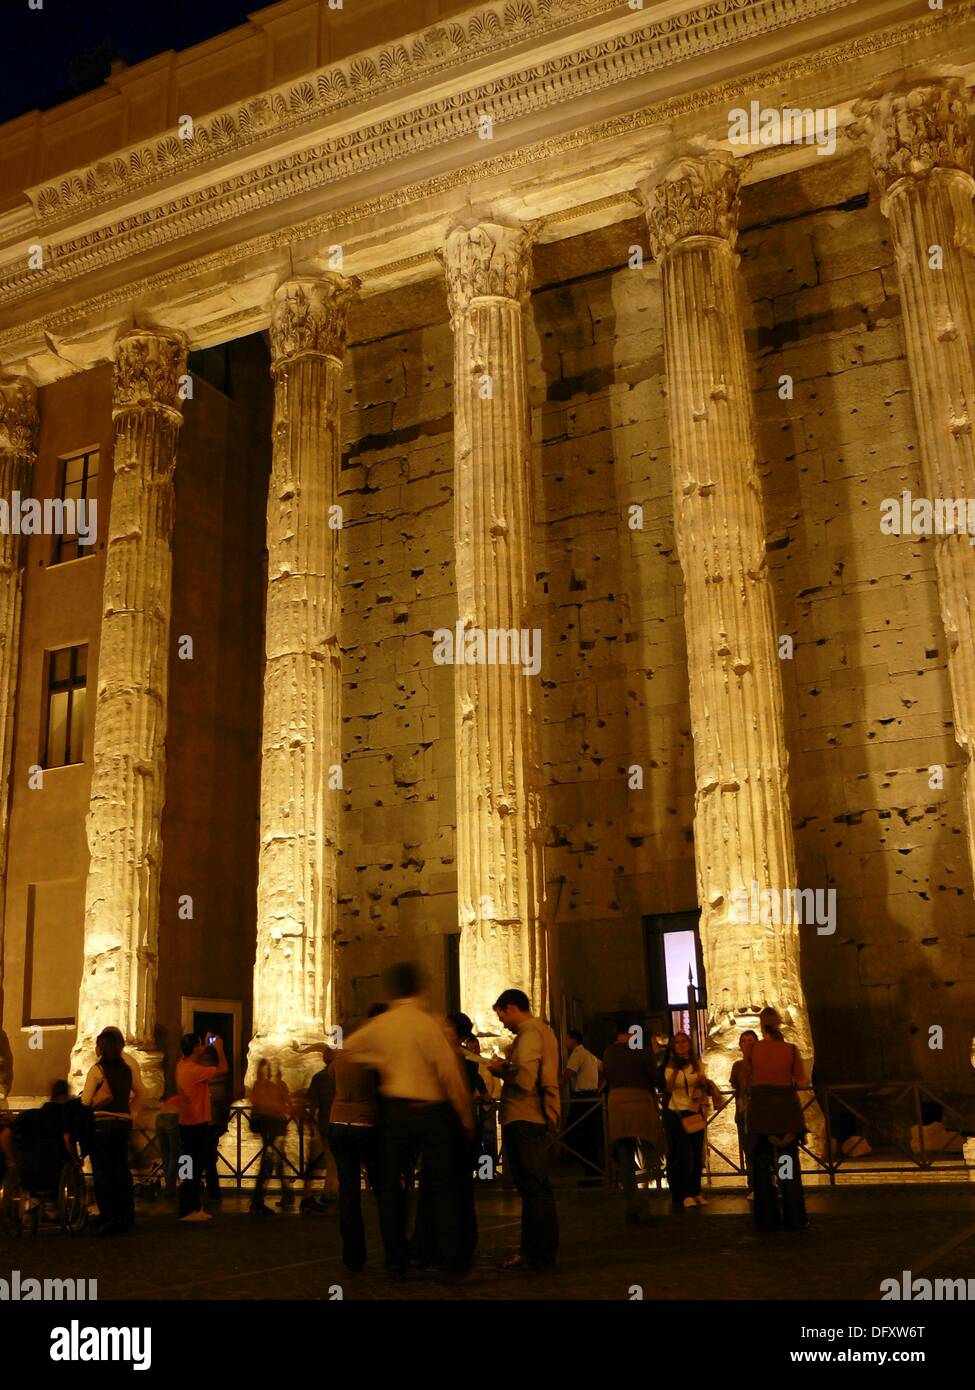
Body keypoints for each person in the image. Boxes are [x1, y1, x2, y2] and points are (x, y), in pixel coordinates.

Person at [344, 962, 477, 1284]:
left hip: (394, 1111)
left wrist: (383, 1063)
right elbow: (448, 1071)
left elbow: (349, 1048)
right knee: (442, 1187)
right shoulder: (426, 1023)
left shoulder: (383, 1024)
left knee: (392, 1190)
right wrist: (464, 1114)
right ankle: (451, 1262)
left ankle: (396, 1261)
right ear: (419, 987)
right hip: (431, 1112)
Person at [489, 988, 561, 1273]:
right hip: (535, 1115)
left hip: (523, 1114)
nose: (502, 1023)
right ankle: (539, 1253)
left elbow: (526, 1077)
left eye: (501, 1016)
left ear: (510, 1008)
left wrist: (500, 1071)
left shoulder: (530, 1034)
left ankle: (536, 1255)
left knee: (533, 1188)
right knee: (537, 1187)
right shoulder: (545, 1031)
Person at [327, 1003, 396, 1271]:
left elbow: (331, 1071)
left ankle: (352, 1255)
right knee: (384, 1190)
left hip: (337, 1121)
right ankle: (394, 1253)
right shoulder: (374, 1053)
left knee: (349, 1193)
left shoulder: (344, 1052)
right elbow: (386, 1085)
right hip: (366, 1123)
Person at [747, 1007, 809, 1233]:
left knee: (762, 1166)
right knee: (787, 1164)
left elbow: (748, 1076)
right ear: (780, 1024)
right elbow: (802, 1082)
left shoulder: (753, 1049)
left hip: (762, 1112)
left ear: (762, 1025)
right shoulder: (791, 1050)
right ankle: (794, 1217)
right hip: (785, 1111)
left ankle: (766, 1219)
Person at [602, 1014, 663, 1224]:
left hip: (617, 1104)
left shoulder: (609, 1052)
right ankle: (646, 1202)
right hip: (640, 1102)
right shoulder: (640, 1051)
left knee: (625, 1158)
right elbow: (655, 1077)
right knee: (650, 1152)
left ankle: (632, 1203)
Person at [81, 1029, 135, 1236]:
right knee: (121, 1170)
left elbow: (86, 1101)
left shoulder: (97, 1070)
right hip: (123, 1123)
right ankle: (126, 1215)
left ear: (100, 1048)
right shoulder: (127, 1070)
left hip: (101, 1125)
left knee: (103, 1173)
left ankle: (109, 1216)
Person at [175, 1030, 228, 1223]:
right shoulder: (195, 1071)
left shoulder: (181, 1065)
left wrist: (205, 1046)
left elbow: (194, 1059)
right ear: (195, 1048)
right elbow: (223, 1068)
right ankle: (191, 1210)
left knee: (187, 1166)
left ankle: (187, 1207)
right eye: (200, 1044)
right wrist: (219, 1049)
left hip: (185, 1124)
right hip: (197, 1124)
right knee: (195, 1169)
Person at [662, 1032, 719, 1209]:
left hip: (694, 1111)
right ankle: (682, 1193)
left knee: (696, 1153)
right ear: (673, 1047)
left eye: (684, 1042)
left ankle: (696, 1191)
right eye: (677, 1042)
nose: (681, 1045)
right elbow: (669, 1088)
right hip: (676, 1112)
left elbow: (701, 1084)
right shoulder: (670, 1065)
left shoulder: (696, 1064)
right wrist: (676, 1071)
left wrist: (703, 1081)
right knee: (682, 1154)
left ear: (689, 1045)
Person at [249, 1060, 294, 1215]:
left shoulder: (264, 1085)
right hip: (273, 1127)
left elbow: (256, 1102)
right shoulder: (272, 1085)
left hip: (270, 1127)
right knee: (272, 1163)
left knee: (273, 1163)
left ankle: (263, 1199)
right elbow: (285, 1105)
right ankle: (262, 1200)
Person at [562, 1028, 603, 1183]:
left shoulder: (577, 1054)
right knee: (590, 1136)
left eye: (566, 1039)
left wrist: (552, 1092)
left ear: (573, 1039)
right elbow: (603, 1068)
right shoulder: (589, 1055)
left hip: (583, 1099)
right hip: (592, 1097)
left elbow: (567, 1076)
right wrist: (598, 1088)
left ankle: (592, 1168)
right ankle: (594, 1171)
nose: (565, 1042)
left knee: (570, 1134)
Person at [298, 1047, 336, 1213]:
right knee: (328, 1159)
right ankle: (324, 1193)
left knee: (322, 1160)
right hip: (333, 1122)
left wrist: (309, 1120)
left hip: (322, 1123)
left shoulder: (319, 1077)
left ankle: (324, 1192)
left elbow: (312, 1101)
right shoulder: (333, 1078)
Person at [730, 1029, 758, 1200]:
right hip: (744, 1112)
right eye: (744, 1040)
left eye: (751, 1039)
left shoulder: (762, 1062)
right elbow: (735, 1085)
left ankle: (773, 1183)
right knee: (749, 1150)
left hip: (761, 1110)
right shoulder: (737, 1065)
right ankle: (753, 1186)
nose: (748, 1043)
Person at [155, 1095, 181, 1199]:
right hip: (174, 1117)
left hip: (160, 1118)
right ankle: (170, 1189)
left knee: (165, 1155)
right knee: (175, 1154)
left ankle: (169, 1187)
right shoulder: (182, 1093)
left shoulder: (169, 1095)